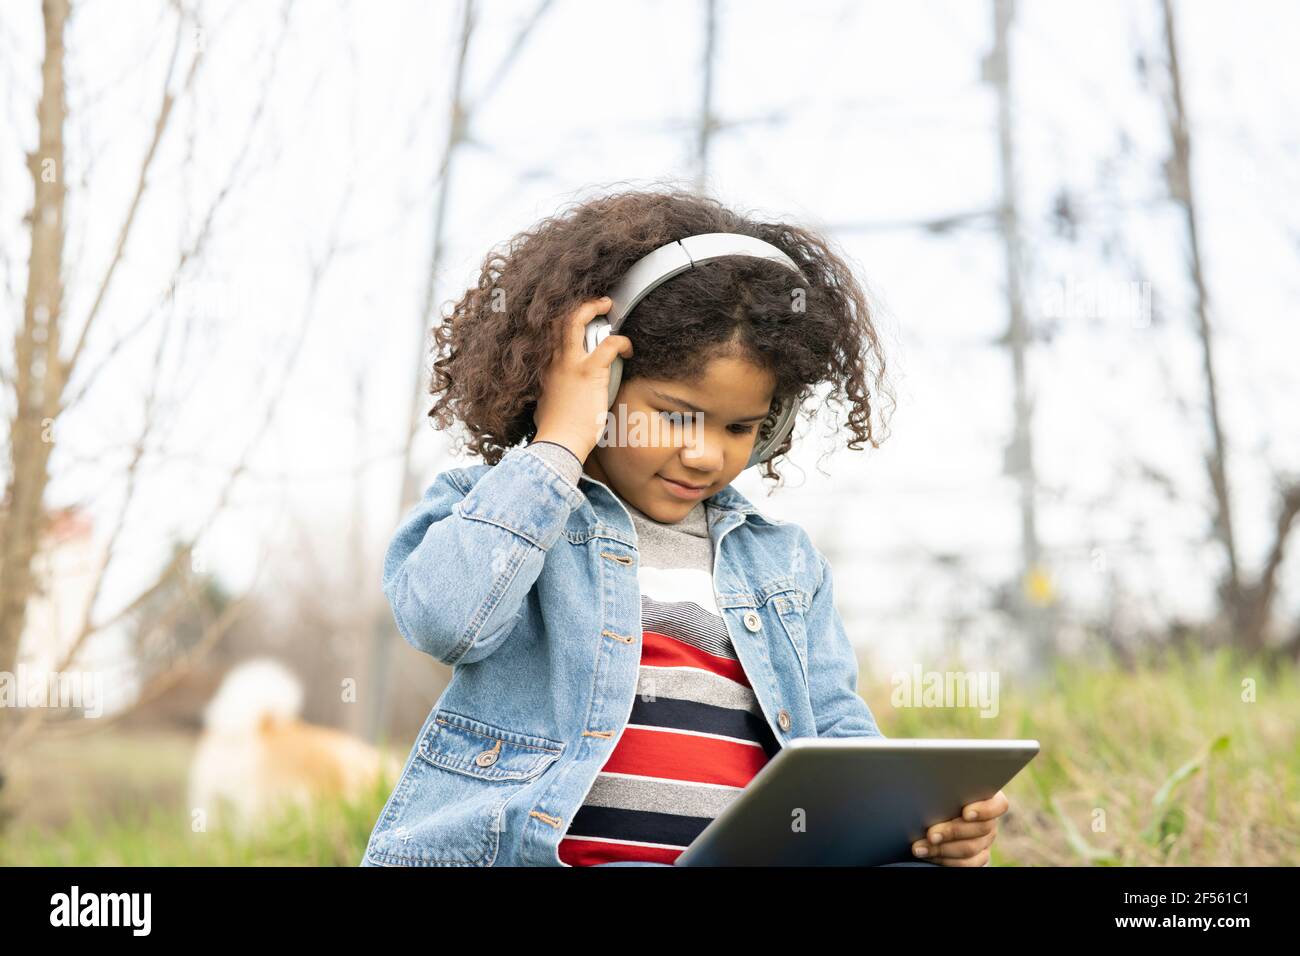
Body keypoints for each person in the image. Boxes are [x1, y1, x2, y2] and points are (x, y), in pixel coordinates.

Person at [360, 186, 1008, 868]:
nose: (705, 455)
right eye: (676, 415)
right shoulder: (501, 507)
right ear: (598, 384)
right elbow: (444, 616)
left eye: (738, 427)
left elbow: (835, 741)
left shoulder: (781, 564)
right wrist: (558, 444)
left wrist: (920, 826)